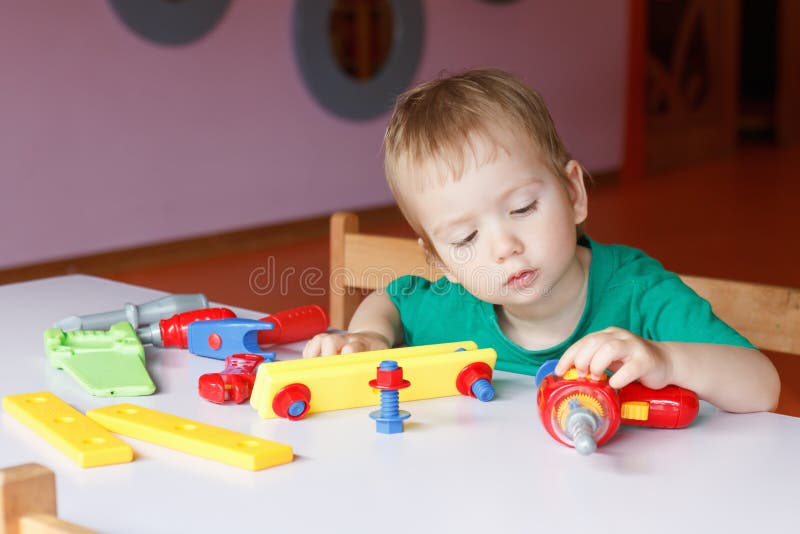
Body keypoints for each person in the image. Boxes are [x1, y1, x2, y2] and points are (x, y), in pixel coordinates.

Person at [303, 68, 779, 413]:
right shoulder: (452, 304)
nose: (504, 247)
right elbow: (392, 297)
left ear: (573, 193)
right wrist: (369, 336)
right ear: (441, 260)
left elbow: (763, 386)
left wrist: (667, 359)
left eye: (524, 209)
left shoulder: (637, 293)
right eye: (465, 237)